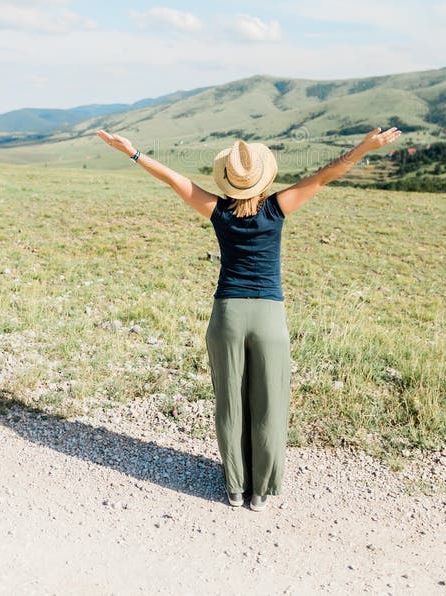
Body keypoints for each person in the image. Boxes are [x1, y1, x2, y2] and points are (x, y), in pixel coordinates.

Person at [96, 125, 401, 511]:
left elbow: (173, 179)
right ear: (263, 178)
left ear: (228, 180)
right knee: (270, 404)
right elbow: (326, 174)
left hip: (227, 315)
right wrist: (364, 146)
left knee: (230, 403)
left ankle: (235, 487)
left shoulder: (218, 212)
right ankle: (261, 491)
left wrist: (132, 152)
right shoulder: (277, 208)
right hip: (269, 317)